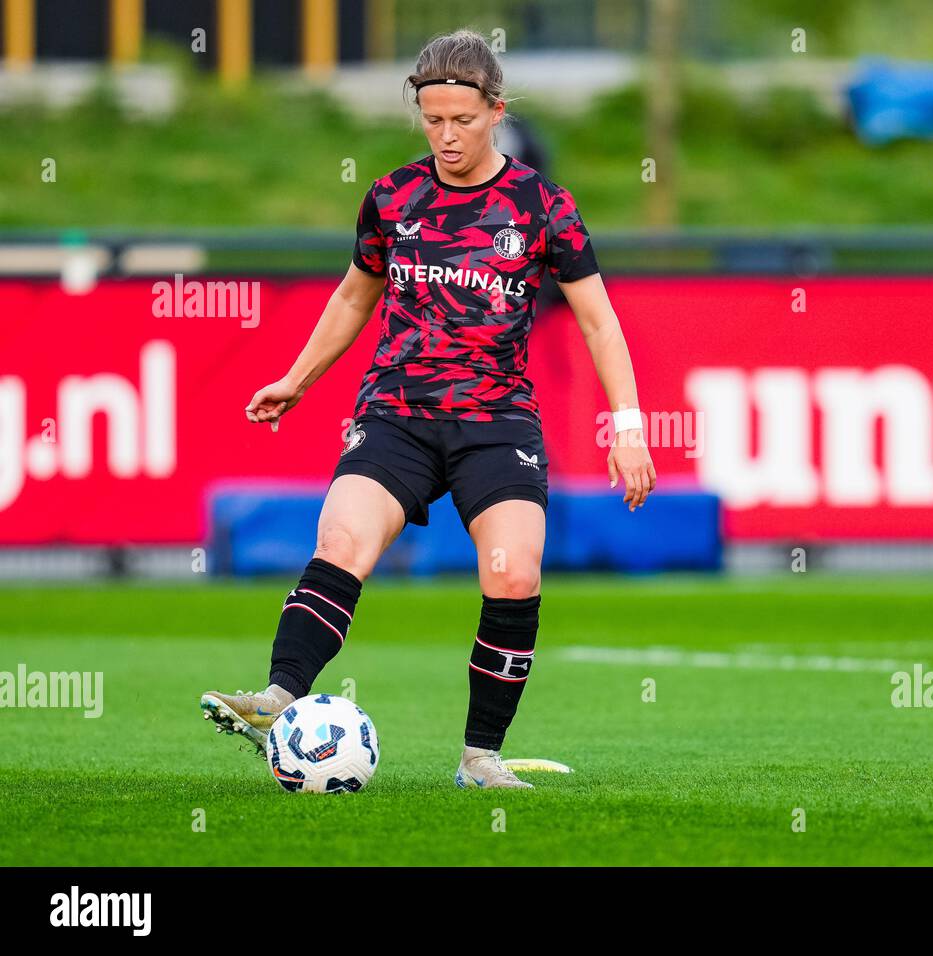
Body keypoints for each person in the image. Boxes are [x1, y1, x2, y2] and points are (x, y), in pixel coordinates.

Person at [200, 29, 655, 790]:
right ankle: (278, 698)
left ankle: (480, 758)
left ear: (497, 111)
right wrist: (298, 378)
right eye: (433, 119)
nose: (447, 136)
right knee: (343, 536)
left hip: (496, 422)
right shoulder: (392, 196)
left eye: (464, 121)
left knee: (513, 574)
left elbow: (600, 321)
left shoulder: (544, 207)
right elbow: (354, 295)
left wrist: (630, 430)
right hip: (395, 413)